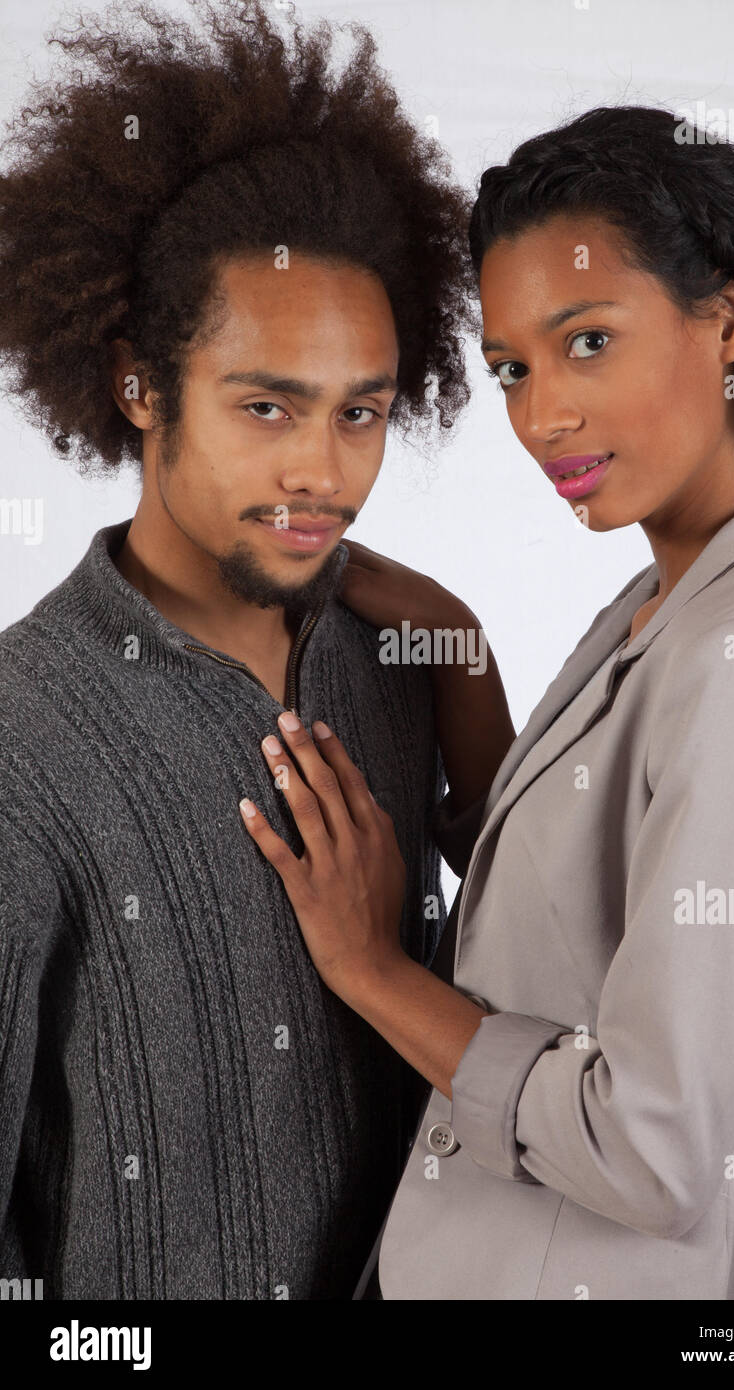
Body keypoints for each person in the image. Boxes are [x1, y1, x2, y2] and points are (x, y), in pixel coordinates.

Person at [237, 105, 734, 1299]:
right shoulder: (667, 590)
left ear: (727, 318)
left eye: (585, 343)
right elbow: (585, 913)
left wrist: (371, 966)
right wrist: (457, 652)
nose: (540, 418)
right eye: (512, 368)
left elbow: (651, 1148)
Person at [0, 0, 515, 1299]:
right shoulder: (22, 737)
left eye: (361, 412)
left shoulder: (395, 662)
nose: (319, 470)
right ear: (136, 382)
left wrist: (460, 663)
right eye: (266, 404)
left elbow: (559, 1031)